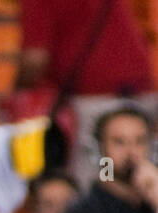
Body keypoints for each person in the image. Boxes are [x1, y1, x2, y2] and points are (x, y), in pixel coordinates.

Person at [17, 0, 156, 188]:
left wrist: (15, 90)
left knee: (100, 179)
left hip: (98, 101)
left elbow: (35, 59)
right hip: (141, 94)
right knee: (136, 175)